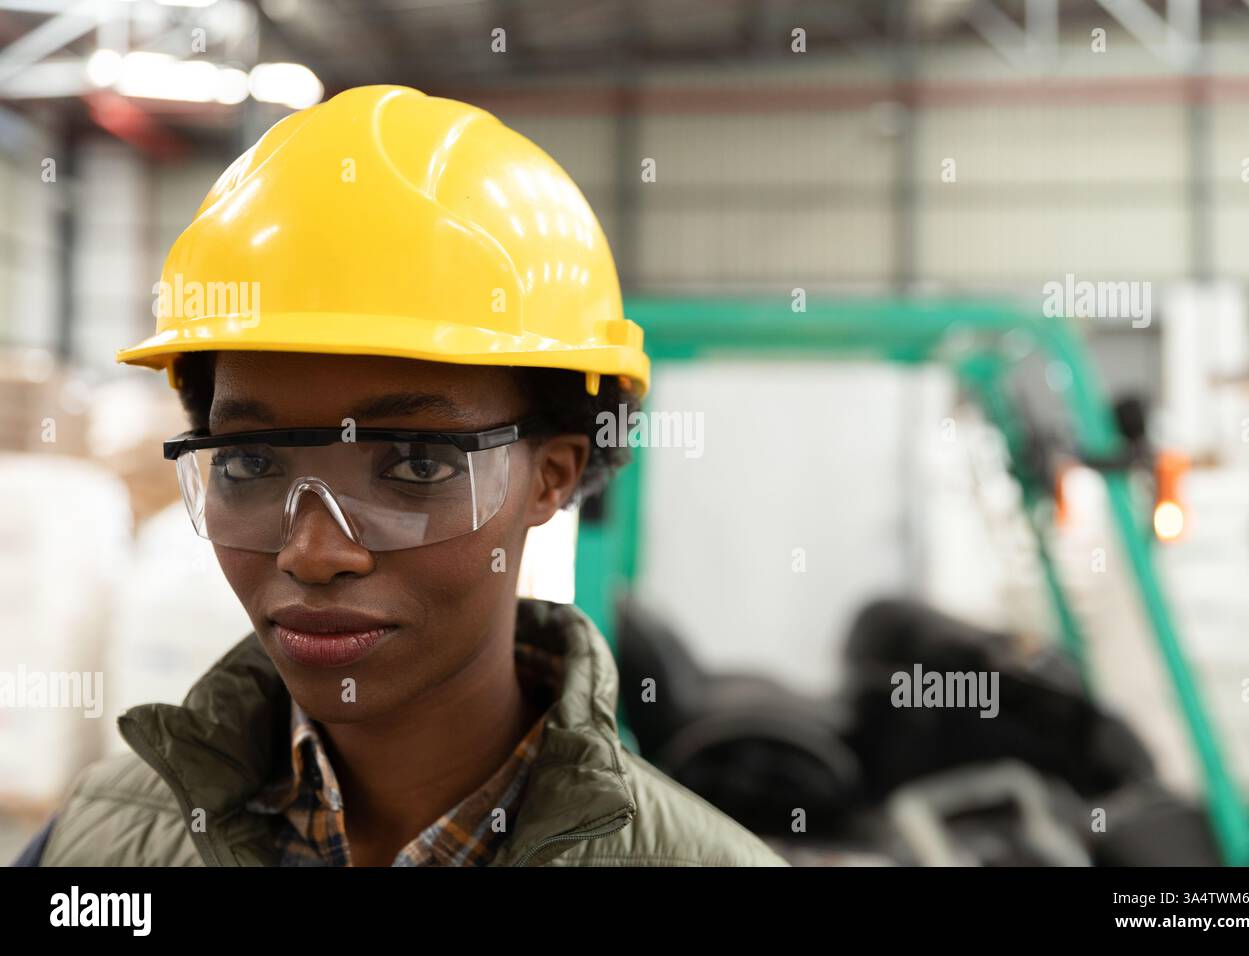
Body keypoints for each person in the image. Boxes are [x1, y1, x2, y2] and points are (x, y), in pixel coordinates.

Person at [19, 85, 788, 867]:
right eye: (252, 462)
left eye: (415, 464)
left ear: (552, 476)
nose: (313, 553)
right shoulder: (97, 847)